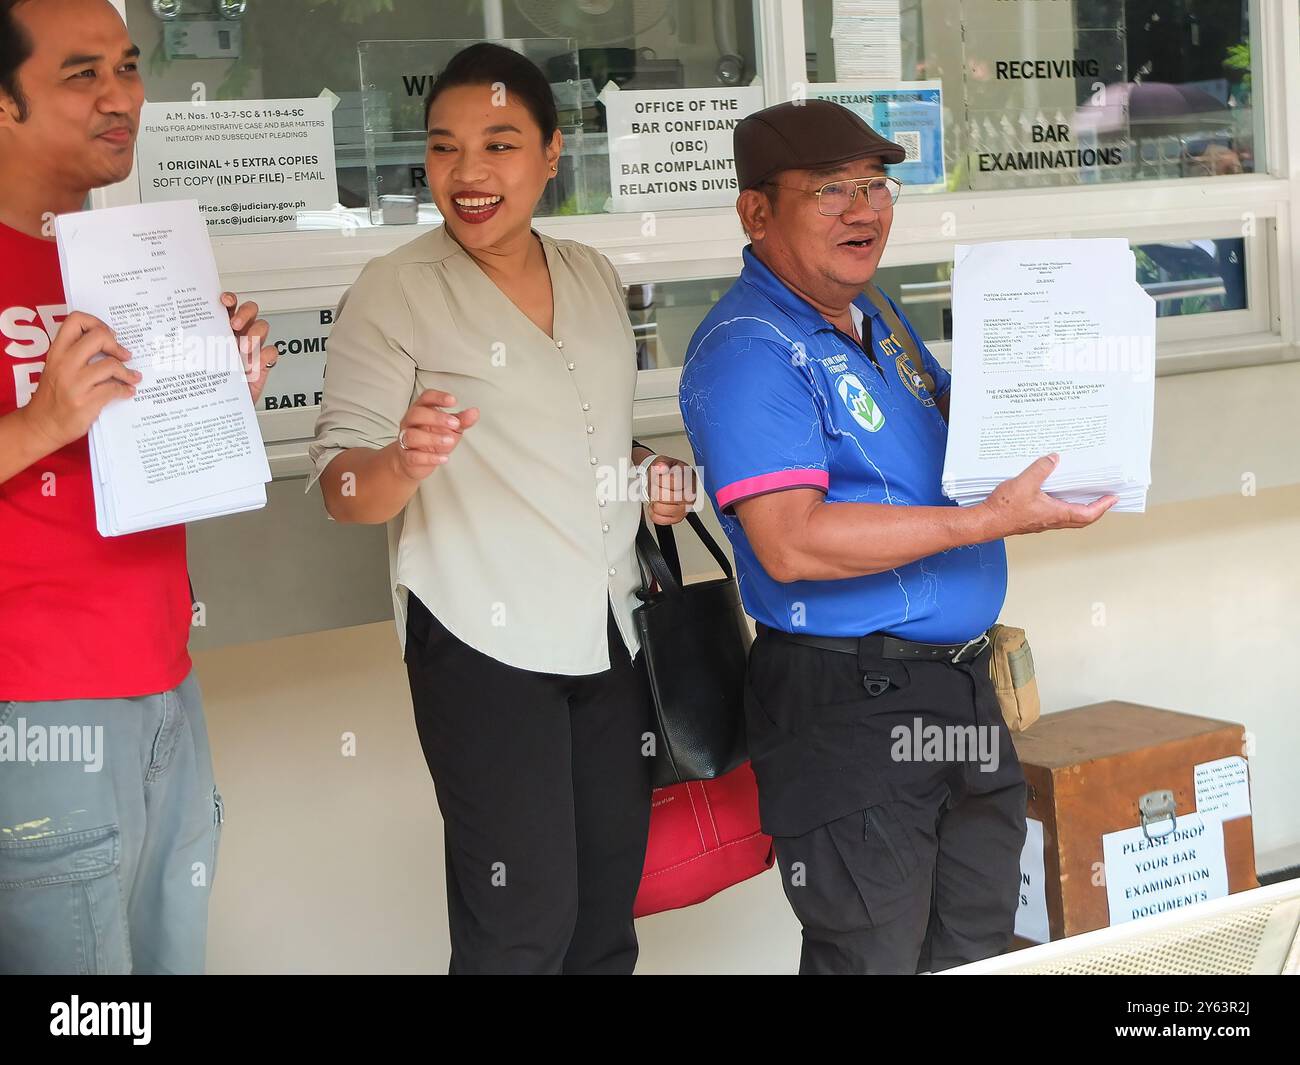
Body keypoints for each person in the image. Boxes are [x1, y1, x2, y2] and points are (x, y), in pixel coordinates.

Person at [679, 100, 1115, 975]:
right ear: (756, 212)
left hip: (958, 689)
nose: (865, 209)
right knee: (873, 957)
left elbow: (965, 420)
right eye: (832, 188)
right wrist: (988, 520)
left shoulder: (873, 311)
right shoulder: (749, 348)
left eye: (877, 186)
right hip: (847, 704)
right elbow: (792, 543)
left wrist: (1072, 372)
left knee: (978, 947)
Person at [309, 43, 694, 975]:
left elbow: (590, 436)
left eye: (500, 144)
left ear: (553, 153)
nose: (469, 174)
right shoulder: (396, 291)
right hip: (484, 652)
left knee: (605, 920)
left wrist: (645, 470)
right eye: (445, 149)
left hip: (609, 638)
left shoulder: (594, 273)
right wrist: (403, 458)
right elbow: (341, 490)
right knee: (520, 930)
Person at [0, 0, 275, 973]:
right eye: (83, 75)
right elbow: (54, 433)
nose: (123, 98)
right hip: (34, 714)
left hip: (166, 685)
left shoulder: (116, 263)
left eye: (128, 67)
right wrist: (40, 422)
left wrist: (219, 390)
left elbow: (144, 470)